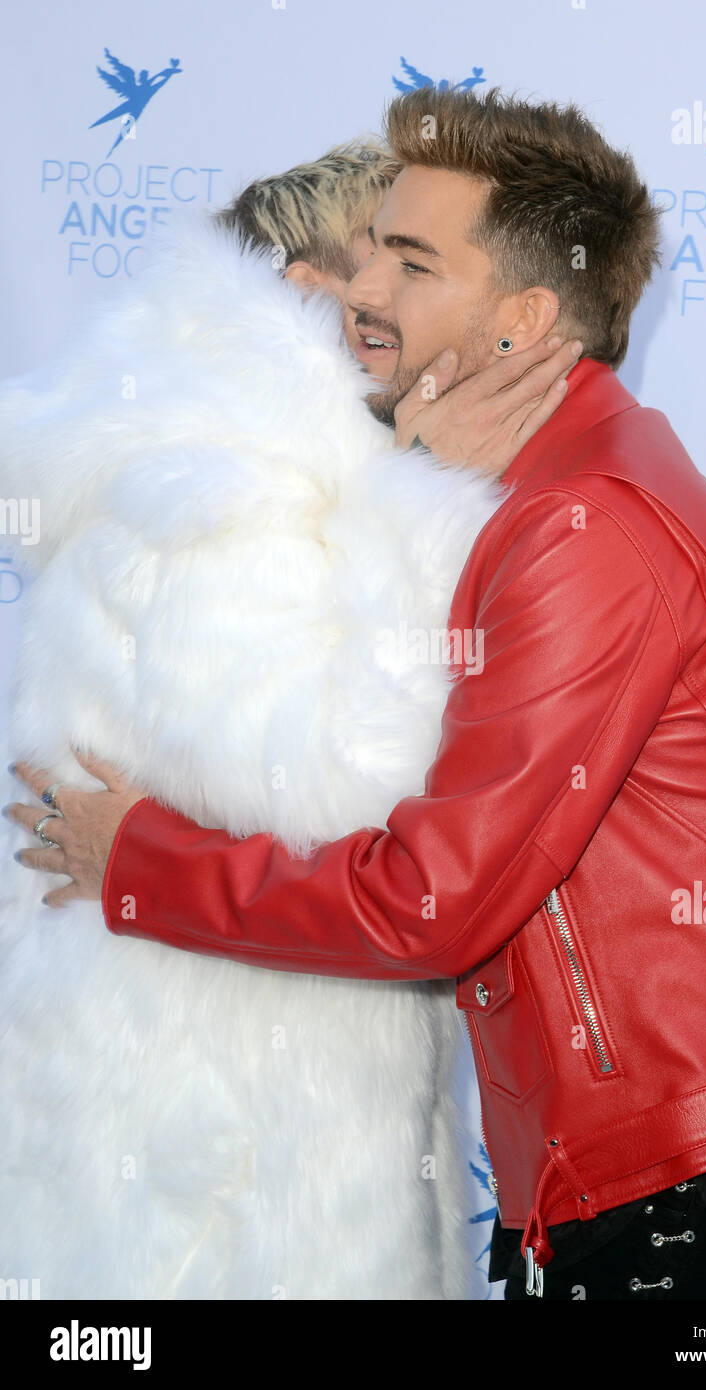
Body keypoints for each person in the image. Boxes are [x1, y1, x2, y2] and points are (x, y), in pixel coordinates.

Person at [9, 87, 706, 1301]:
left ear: (518, 318)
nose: (365, 298)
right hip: (639, 1170)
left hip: (705, 1183)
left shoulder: (575, 526)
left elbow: (426, 894)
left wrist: (138, 857)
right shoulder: (531, 497)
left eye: (408, 264)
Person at [0, 135, 573, 1300]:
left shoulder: (198, 469)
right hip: (221, 1157)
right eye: (396, 269)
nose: (416, 309)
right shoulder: (216, 499)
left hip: (217, 1104)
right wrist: (429, 500)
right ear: (310, 291)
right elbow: (354, 795)